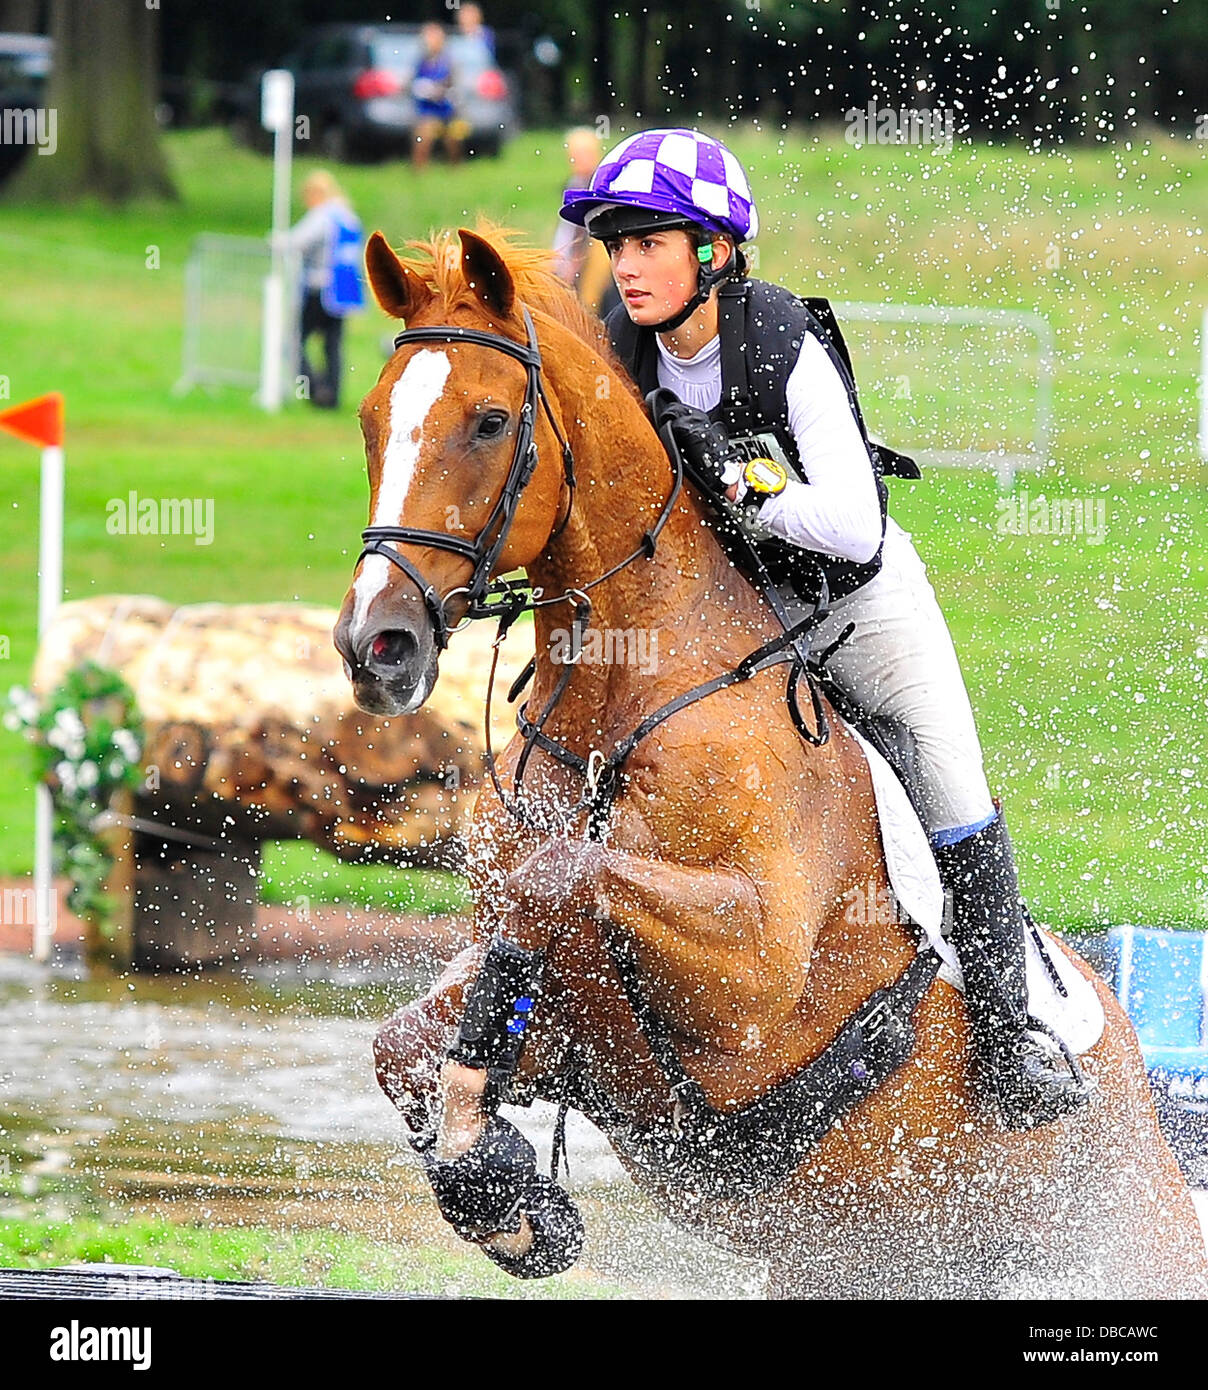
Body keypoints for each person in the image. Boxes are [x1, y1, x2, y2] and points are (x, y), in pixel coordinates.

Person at [559, 128, 1093, 1130]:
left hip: (861, 611)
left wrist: (732, 485)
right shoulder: (617, 346)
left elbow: (852, 525)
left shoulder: (775, 339)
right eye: (613, 243)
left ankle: (1003, 1032)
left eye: (646, 241)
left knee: (948, 785)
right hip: (742, 627)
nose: (623, 264)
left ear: (710, 250)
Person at [283, 170, 364, 409]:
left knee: (293, 340)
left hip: (319, 288)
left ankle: (316, 390)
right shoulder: (348, 217)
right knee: (332, 344)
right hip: (342, 293)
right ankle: (333, 395)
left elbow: (298, 241)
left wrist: (276, 242)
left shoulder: (322, 216)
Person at [551, 128, 621, 318]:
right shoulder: (573, 183)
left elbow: (588, 228)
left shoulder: (599, 187)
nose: (580, 160)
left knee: (595, 305)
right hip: (568, 259)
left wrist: (575, 260)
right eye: (576, 155)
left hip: (594, 258)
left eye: (586, 154)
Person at [411, 23, 466, 169]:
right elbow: (414, 82)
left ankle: (456, 169)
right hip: (428, 111)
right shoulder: (422, 61)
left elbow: (454, 84)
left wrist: (441, 91)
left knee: (454, 140)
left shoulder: (449, 61)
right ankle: (419, 171)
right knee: (423, 138)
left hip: (448, 110)